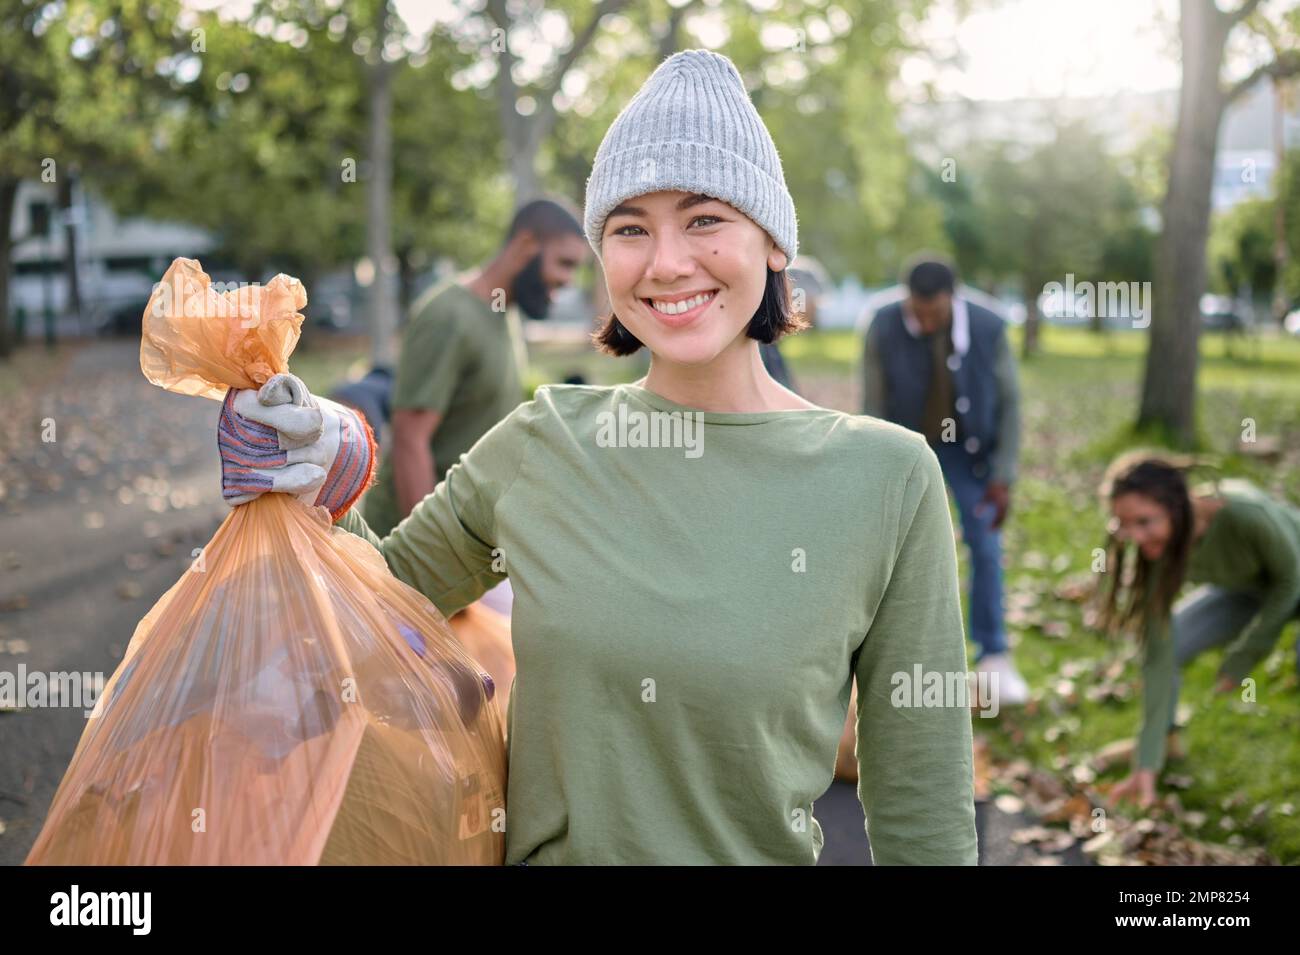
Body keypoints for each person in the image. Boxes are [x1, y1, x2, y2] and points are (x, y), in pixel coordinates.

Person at [214, 49, 977, 865]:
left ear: (775, 244)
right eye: (629, 229)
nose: (667, 261)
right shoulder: (543, 441)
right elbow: (379, 616)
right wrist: (317, 487)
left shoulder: (886, 478)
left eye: (705, 218)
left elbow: (921, 795)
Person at [360, 197, 589, 538]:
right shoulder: (449, 316)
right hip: (415, 551)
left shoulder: (504, 313)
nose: (568, 280)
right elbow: (410, 439)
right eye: (564, 263)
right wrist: (427, 557)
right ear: (526, 245)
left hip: (470, 543)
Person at [860, 257, 1028, 703]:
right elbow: (872, 400)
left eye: (935, 312)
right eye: (918, 310)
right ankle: (893, 656)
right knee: (894, 550)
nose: (926, 319)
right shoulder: (882, 324)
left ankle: (994, 655)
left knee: (986, 546)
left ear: (954, 298)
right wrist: (875, 467)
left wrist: (1003, 475)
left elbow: (1010, 403)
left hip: (971, 453)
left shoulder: (989, 326)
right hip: (906, 448)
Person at [1095, 453, 1300, 808]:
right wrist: (1145, 762)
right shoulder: (1159, 546)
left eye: (1144, 521)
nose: (1135, 537)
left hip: (1292, 579)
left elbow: (1290, 581)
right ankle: (1164, 741)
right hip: (1246, 591)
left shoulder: (1242, 514)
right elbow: (1158, 649)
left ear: (1176, 505)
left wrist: (1244, 656)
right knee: (1162, 643)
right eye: (1125, 525)